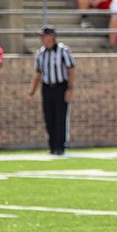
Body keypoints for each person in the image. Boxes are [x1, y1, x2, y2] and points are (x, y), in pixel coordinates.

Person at [27, 26, 75, 155]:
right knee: (49, 117)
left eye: (44, 36)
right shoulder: (40, 53)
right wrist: (31, 92)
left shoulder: (63, 50)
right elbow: (37, 74)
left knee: (60, 116)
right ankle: (52, 146)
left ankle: (60, 145)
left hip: (60, 86)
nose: (42, 39)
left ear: (52, 36)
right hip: (47, 87)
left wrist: (70, 88)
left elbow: (71, 70)